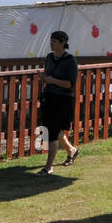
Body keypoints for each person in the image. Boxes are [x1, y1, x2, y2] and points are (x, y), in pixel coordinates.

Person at [37, 30, 79, 175]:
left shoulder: (70, 60)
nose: (51, 43)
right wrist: (43, 78)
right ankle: (72, 150)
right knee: (53, 129)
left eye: (54, 41)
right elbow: (48, 75)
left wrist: (52, 80)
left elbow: (69, 84)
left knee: (53, 132)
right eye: (51, 40)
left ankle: (48, 167)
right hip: (48, 97)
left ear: (62, 43)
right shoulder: (49, 57)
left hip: (63, 99)